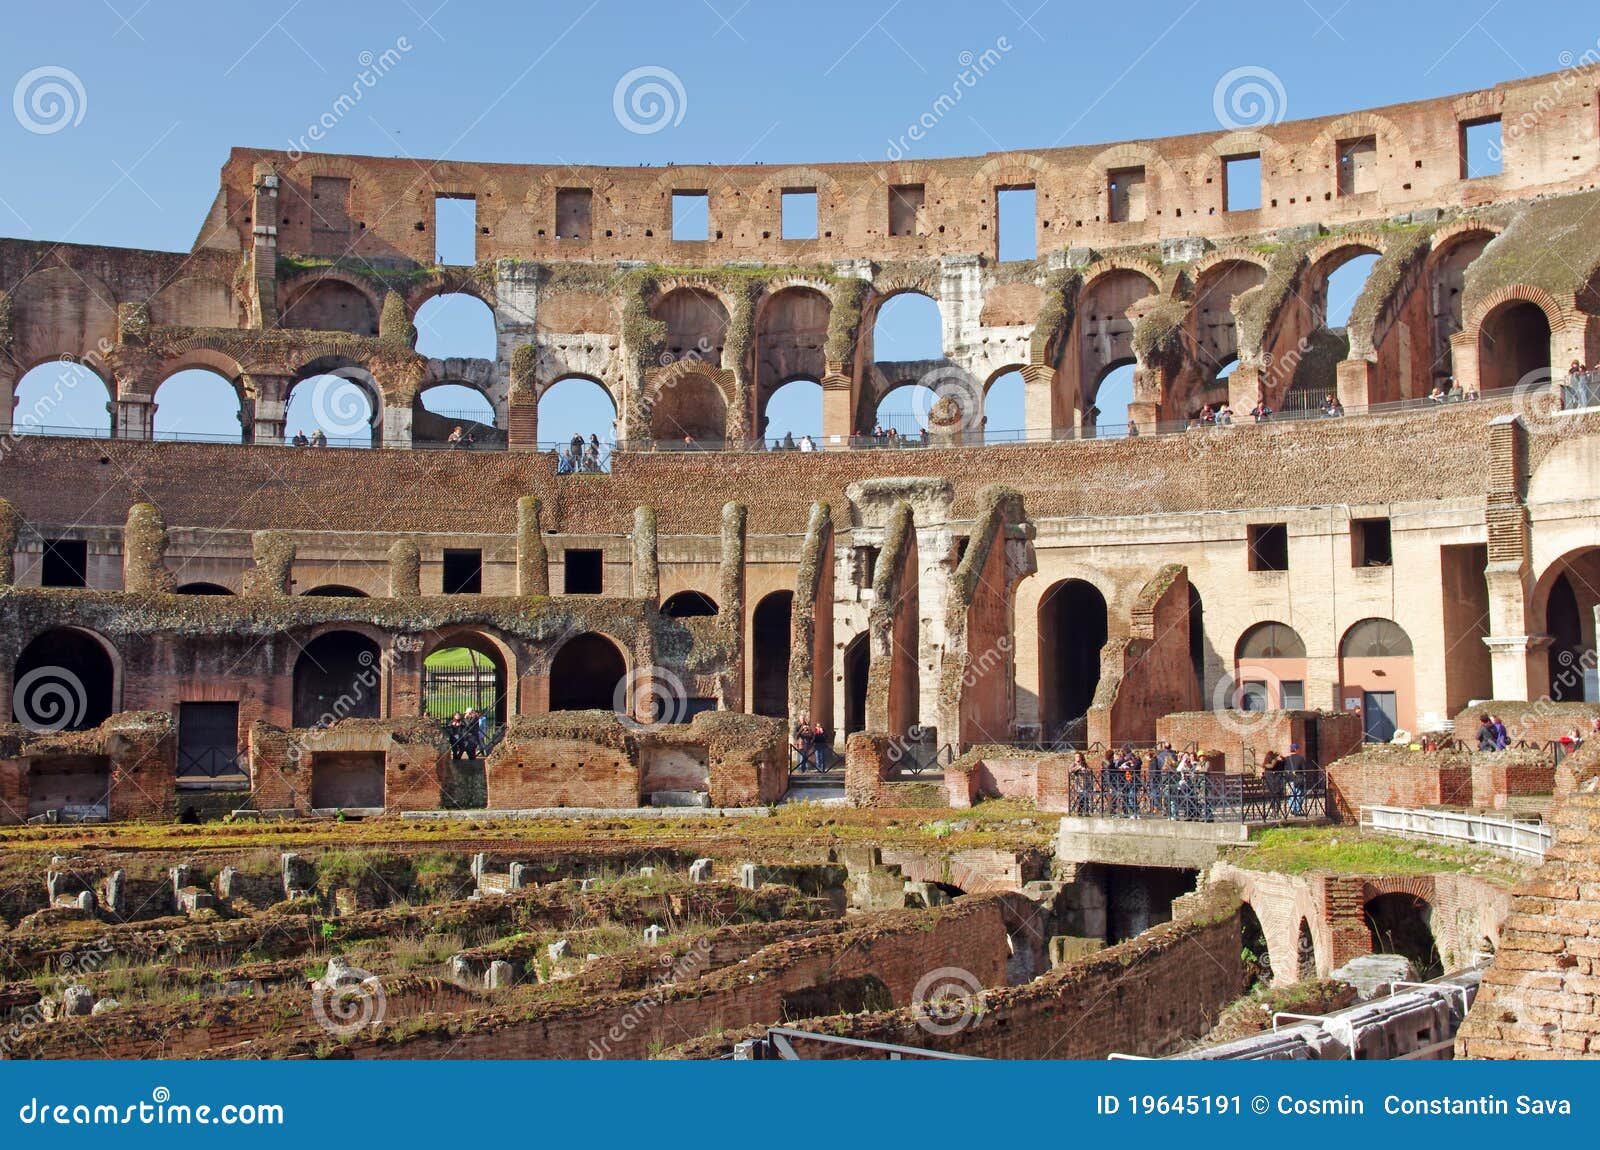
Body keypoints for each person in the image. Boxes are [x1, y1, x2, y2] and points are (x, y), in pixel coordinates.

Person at [1282, 742, 1309, 816]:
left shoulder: (1287, 759)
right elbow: (1304, 770)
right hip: (1298, 779)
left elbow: (1285, 769)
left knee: (1292, 795)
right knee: (1299, 794)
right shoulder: (1300, 759)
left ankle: (1292, 808)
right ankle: (1297, 810)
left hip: (1290, 779)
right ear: (1296, 749)